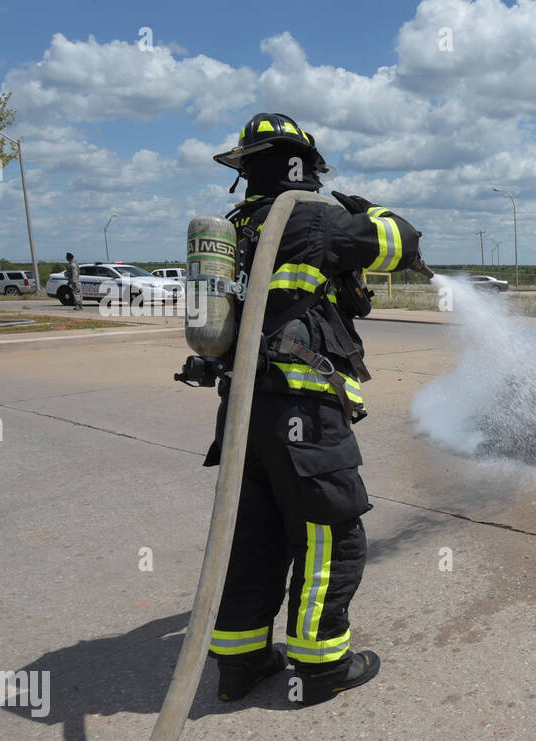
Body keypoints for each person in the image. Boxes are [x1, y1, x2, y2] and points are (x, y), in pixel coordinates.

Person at [204, 112, 428, 706]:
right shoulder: (312, 218)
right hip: (301, 413)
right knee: (331, 535)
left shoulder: (237, 227)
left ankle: (240, 661)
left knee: (252, 535)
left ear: (247, 170)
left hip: (243, 412)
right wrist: (371, 211)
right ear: (301, 165)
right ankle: (321, 665)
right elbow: (401, 241)